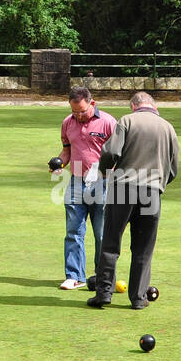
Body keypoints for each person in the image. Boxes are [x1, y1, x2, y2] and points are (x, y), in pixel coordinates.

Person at [87, 92, 179, 309]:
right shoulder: (168, 128)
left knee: (110, 242)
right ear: (154, 106)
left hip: (123, 188)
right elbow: (173, 168)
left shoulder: (127, 121)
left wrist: (103, 171)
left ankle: (104, 294)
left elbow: (110, 153)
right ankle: (138, 298)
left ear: (133, 105)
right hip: (152, 191)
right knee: (143, 247)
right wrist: (158, 183)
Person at [53, 87, 116, 290]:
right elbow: (66, 151)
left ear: (92, 103)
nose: (78, 116)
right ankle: (74, 276)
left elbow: (120, 154)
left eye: (82, 111)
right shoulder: (67, 123)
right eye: (74, 112)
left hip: (103, 182)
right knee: (73, 231)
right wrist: (58, 164)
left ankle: (102, 277)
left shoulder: (108, 122)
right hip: (76, 181)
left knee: (102, 234)